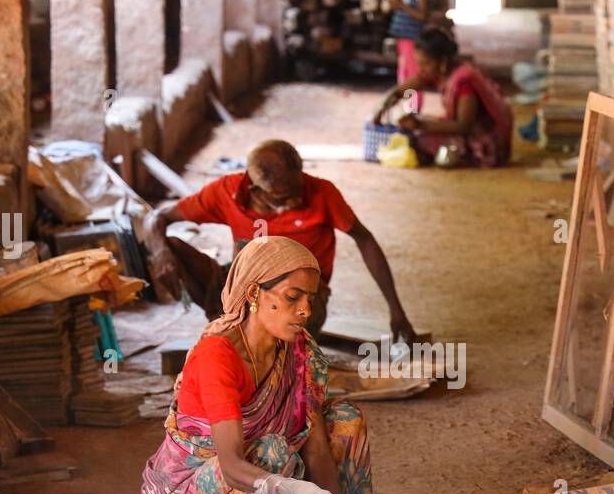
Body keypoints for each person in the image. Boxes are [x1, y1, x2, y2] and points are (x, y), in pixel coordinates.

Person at [139, 236, 373, 494]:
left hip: (263, 485)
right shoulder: (218, 355)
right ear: (253, 294)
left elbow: (315, 443)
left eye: (310, 298)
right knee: (271, 450)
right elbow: (232, 465)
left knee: (346, 418)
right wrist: (295, 488)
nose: (305, 310)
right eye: (293, 297)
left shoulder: (297, 350)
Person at [141, 139, 415, 342]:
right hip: (243, 289)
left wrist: (396, 311)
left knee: (283, 298)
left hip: (301, 297)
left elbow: (365, 240)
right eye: (284, 197)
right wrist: (159, 252)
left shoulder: (321, 192)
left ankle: (246, 336)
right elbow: (157, 218)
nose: (297, 199)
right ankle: (230, 325)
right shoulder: (228, 191)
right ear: (255, 189)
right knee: (173, 247)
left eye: (298, 187)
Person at [373, 28, 514, 169]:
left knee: (417, 139)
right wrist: (383, 107)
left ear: (442, 62)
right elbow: (403, 90)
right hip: (467, 131)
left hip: (483, 142)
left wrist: (420, 124)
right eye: (419, 63)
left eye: (426, 63)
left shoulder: (464, 81)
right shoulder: (438, 72)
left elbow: (463, 126)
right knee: (417, 132)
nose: (421, 68)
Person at [387, 0, 436, 115]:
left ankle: (413, 110)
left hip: (413, 40)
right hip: (404, 40)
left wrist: (402, 6)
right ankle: (407, 108)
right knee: (404, 74)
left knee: (413, 77)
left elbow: (422, 15)